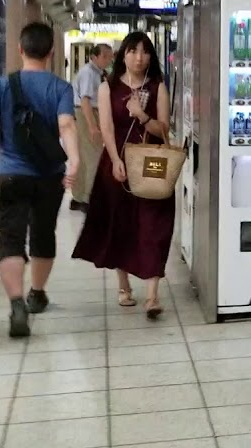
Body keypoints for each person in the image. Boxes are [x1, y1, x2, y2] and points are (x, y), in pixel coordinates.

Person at [0, 22, 79, 338]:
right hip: (48, 176)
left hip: (10, 173)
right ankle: (36, 293)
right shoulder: (60, 88)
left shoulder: (2, 86)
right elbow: (66, 125)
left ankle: (15, 302)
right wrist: (75, 161)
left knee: (10, 238)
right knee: (43, 234)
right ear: (52, 52)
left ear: (20, 49)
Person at [72, 32, 174, 319]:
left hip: (152, 164)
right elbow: (106, 127)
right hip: (117, 164)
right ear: (123, 55)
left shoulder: (158, 87)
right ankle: (124, 285)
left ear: (151, 57)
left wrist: (142, 115)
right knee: (122, 224)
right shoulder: (108, 87)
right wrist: (116, 160)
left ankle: (152, 295)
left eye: (144, 52)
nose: (138, 57)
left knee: (155, 225)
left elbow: (164, 129)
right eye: (132, 51)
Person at [71, 44, 113, 212]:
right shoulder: (89, 73)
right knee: (94, 156)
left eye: (110, 57)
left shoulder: (95, 73)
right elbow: (85, 101)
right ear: (94, 57)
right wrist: (93, 126)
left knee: (83, 156)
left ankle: (78, 196)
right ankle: (89, 198)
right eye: (105, 57)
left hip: (85, 114)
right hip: (87, 114)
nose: (108, 60)